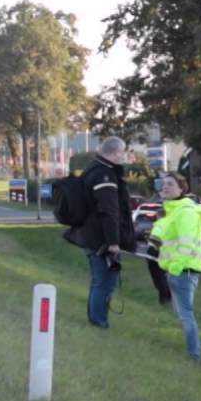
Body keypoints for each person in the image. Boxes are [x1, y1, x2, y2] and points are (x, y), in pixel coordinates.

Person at [64, 136, 136, 329]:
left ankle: (96, 319)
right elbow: (109, 210)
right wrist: (113, 241)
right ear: (116, 153)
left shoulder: (92, 169)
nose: (123, 157)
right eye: (123, 153)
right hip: (101, 239)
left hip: (90, 235)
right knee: (105, 282)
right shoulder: (105, 175)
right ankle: (99, 322)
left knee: (100, 280)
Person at [149, 173, 201, 362]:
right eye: (163, 184)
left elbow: (186, 243)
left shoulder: (185, 211)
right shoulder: (174, 210)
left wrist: (175, 267)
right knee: (183, 314)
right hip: (176, 270)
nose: (165, 187)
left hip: (183, 271)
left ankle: (195, 356)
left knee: (186, 316)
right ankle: (193, 353)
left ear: (181, 189)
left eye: (170, 184)